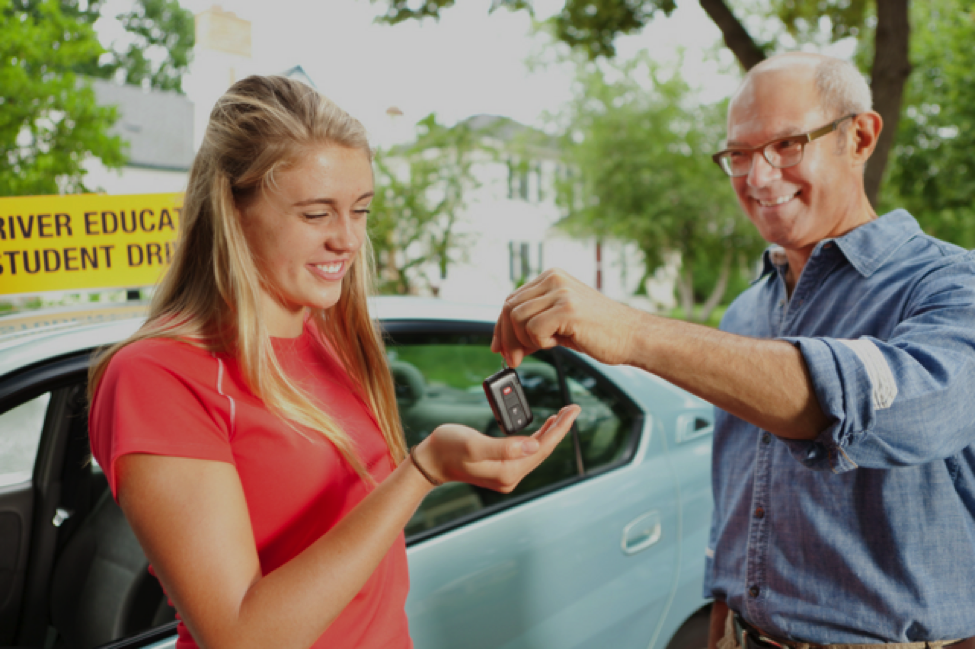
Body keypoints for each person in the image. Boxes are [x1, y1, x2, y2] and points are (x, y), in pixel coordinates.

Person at [493, 52, 975, 649]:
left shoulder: (952, 288)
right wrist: (726, 597)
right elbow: (743, 488)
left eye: (788, 144)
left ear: (860, 136)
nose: (760, 177)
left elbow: (897, 410)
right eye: (739, 155)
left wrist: (634, 331)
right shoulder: (745, 311)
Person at [87, 75, 580, 649]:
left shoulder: (331, 336)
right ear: (232, 210)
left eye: (360, 210)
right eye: (317, 214)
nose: (347, 240)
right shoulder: (157, 377)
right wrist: (423, 472)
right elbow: (241, 636)